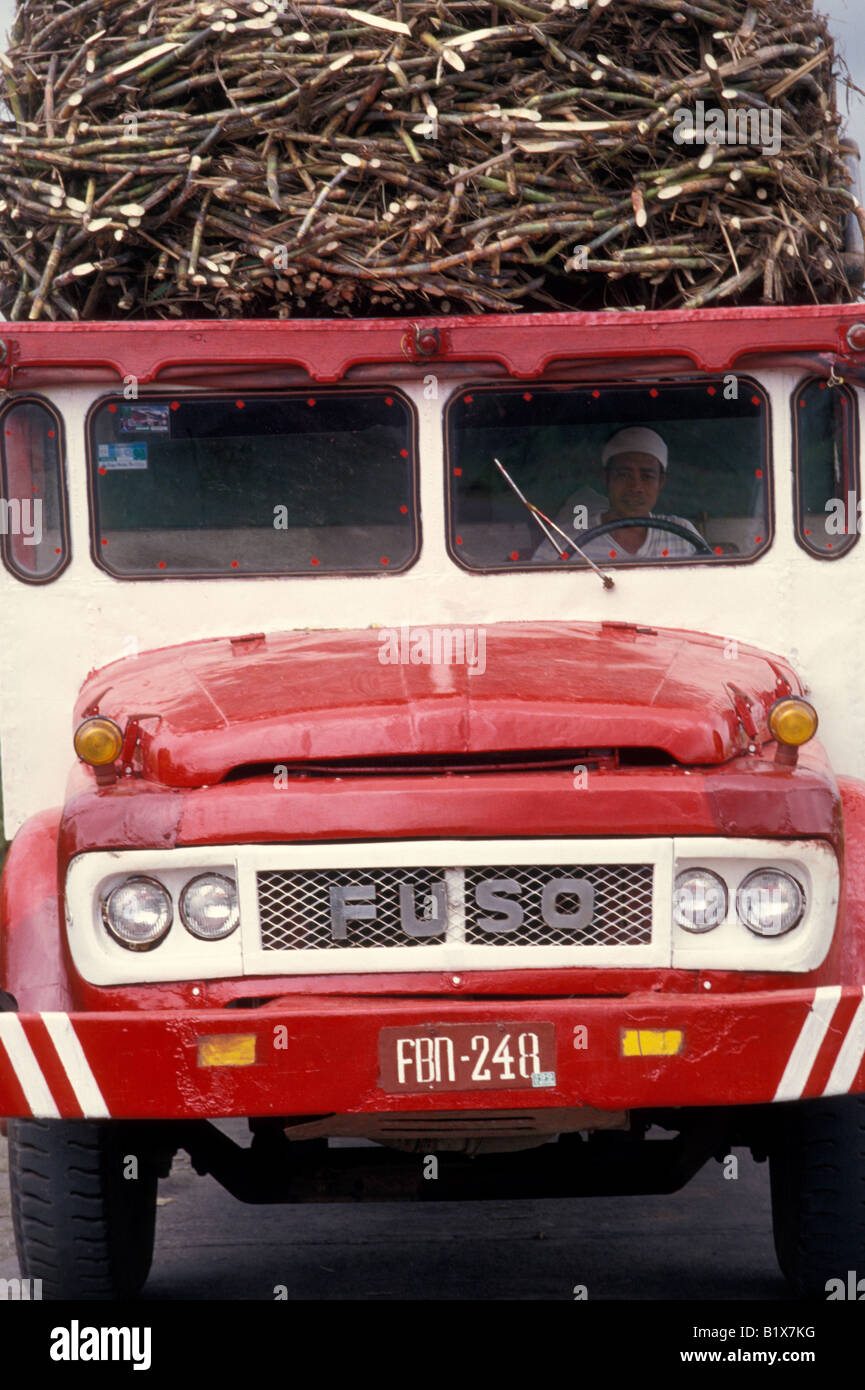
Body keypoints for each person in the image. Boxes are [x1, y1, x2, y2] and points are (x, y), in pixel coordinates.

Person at [532, 426, 703, 561]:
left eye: (647, 476)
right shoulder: (568, 538)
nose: (636, 487)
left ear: (661, 482)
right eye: (624, 475)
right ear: (606, 478)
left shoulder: (681, 534)